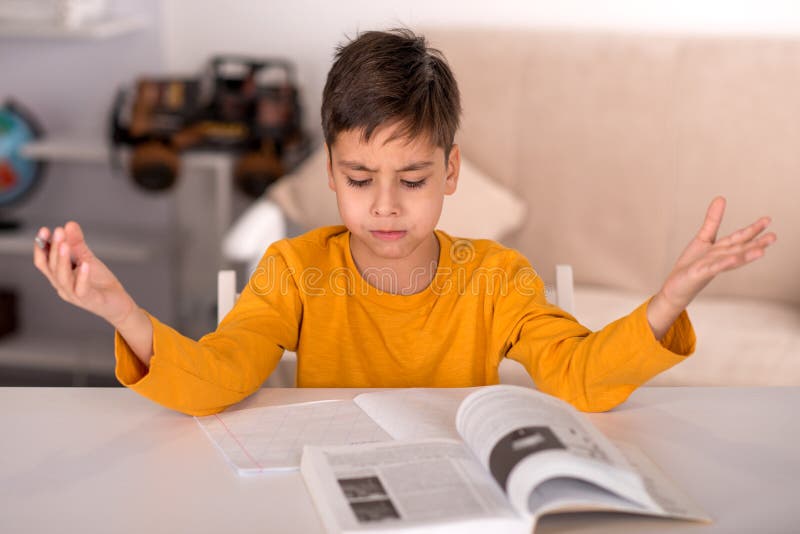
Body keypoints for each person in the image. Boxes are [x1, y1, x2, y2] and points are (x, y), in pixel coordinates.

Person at [33, 29, 776, 416]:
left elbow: (582, 377)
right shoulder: (296, 273)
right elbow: (219, 377)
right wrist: (122, 313)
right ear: (330, 174)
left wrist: (666, 305)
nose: (385, 205)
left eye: (413, 179)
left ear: (450, 173)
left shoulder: (496, 280)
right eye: (360, 180)